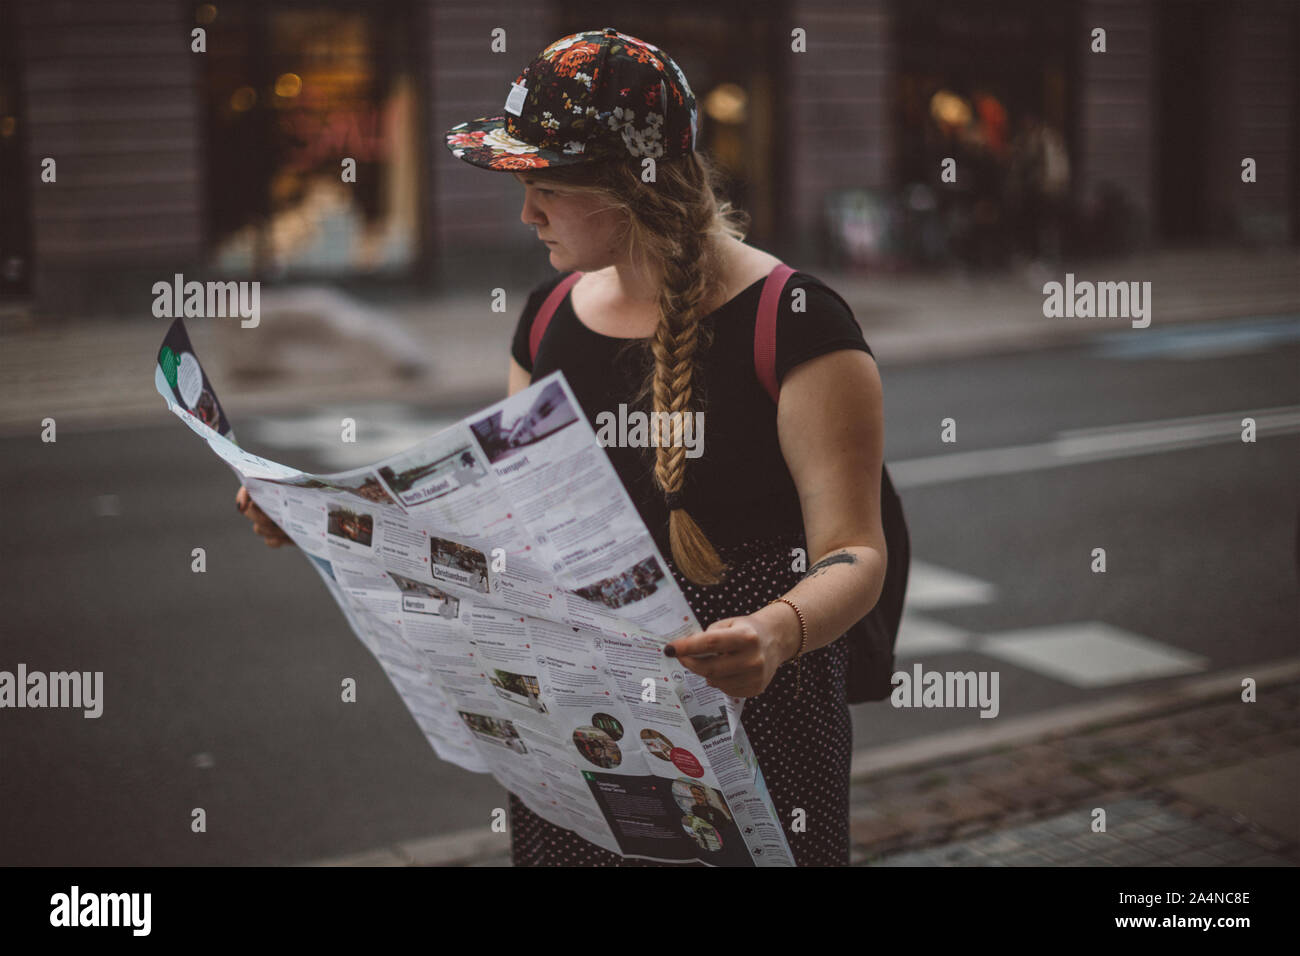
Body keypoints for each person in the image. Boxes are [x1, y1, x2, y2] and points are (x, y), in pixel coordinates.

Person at [239, 26, 888, 867]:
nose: (525, 213)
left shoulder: (795, 324)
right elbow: (505, 522)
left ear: (630, 187)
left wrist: (775, 632)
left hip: (756, 723)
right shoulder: (546, 317)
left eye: (544, 185)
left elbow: (855, 551)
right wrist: (325, 524)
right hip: (585, 739)